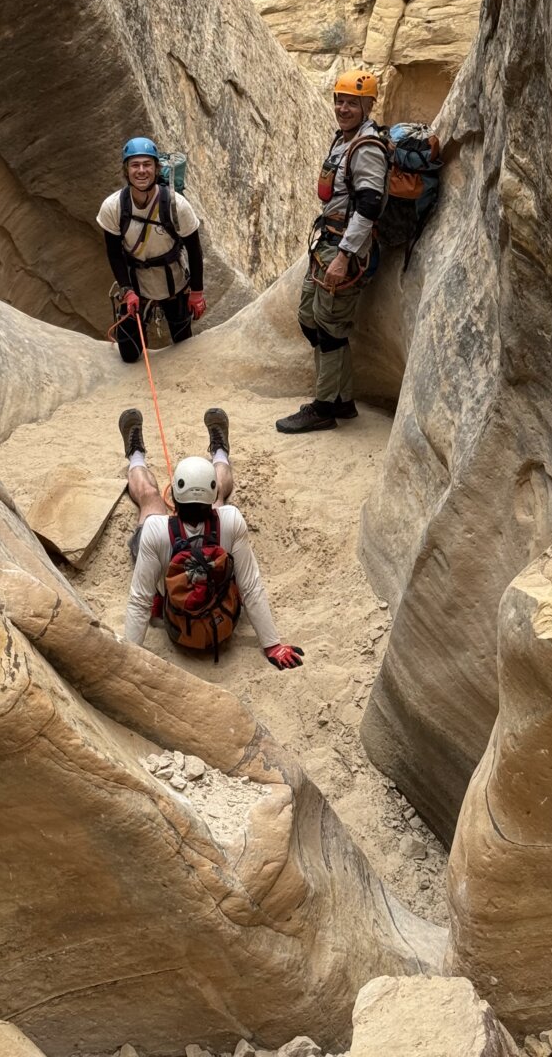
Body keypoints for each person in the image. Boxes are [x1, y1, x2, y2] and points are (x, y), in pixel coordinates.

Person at [119, 404, 304, 669]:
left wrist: (131, 659)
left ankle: (136, 455)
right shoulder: (229, 519)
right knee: (220, 503)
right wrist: (272, 644)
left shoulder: (157, 530)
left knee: (149, 498)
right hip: (223, 620)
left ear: (172, 497)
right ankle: (219, 452)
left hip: (178, 626)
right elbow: (251, 586)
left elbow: (139, 599)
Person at [276, 68, 388, 434]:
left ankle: (325, 408)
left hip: (344, 250)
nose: (343, 108)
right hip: (326, 243)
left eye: (351, 103)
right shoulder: (343, 140)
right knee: (310, 317)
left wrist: (343, 256)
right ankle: (342, 399)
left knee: (330, 327)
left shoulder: (366, 147)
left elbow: (370, 206)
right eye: (339, 100)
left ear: (367, 105)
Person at [96, 137, 206, 363]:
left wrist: (197, 292)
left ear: (157, 169)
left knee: (183, 345)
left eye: (147, 164)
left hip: (173, 282)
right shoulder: (113, 207)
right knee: (128, 354)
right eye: (135, 165)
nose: (141, 171)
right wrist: (126, 290)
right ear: (126, 170)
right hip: (137, 284)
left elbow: (194, 250)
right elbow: (114, 252)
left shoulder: (177, 205)